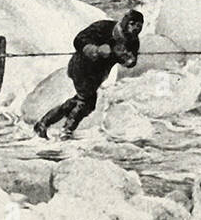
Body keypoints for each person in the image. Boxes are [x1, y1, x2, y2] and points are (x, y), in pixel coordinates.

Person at [34, 10, 143, 138]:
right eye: (132, 24)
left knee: (79, 101)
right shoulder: (103, 27)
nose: (135, 28)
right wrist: (96, 50)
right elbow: (79, 40)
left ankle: (44, 123)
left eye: (138, 26)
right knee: (87, 102)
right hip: (82, 67)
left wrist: (129, 61)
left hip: (98, 75)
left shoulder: (133, 41)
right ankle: (66, 131)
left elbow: (130, 60)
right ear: (125, 22)